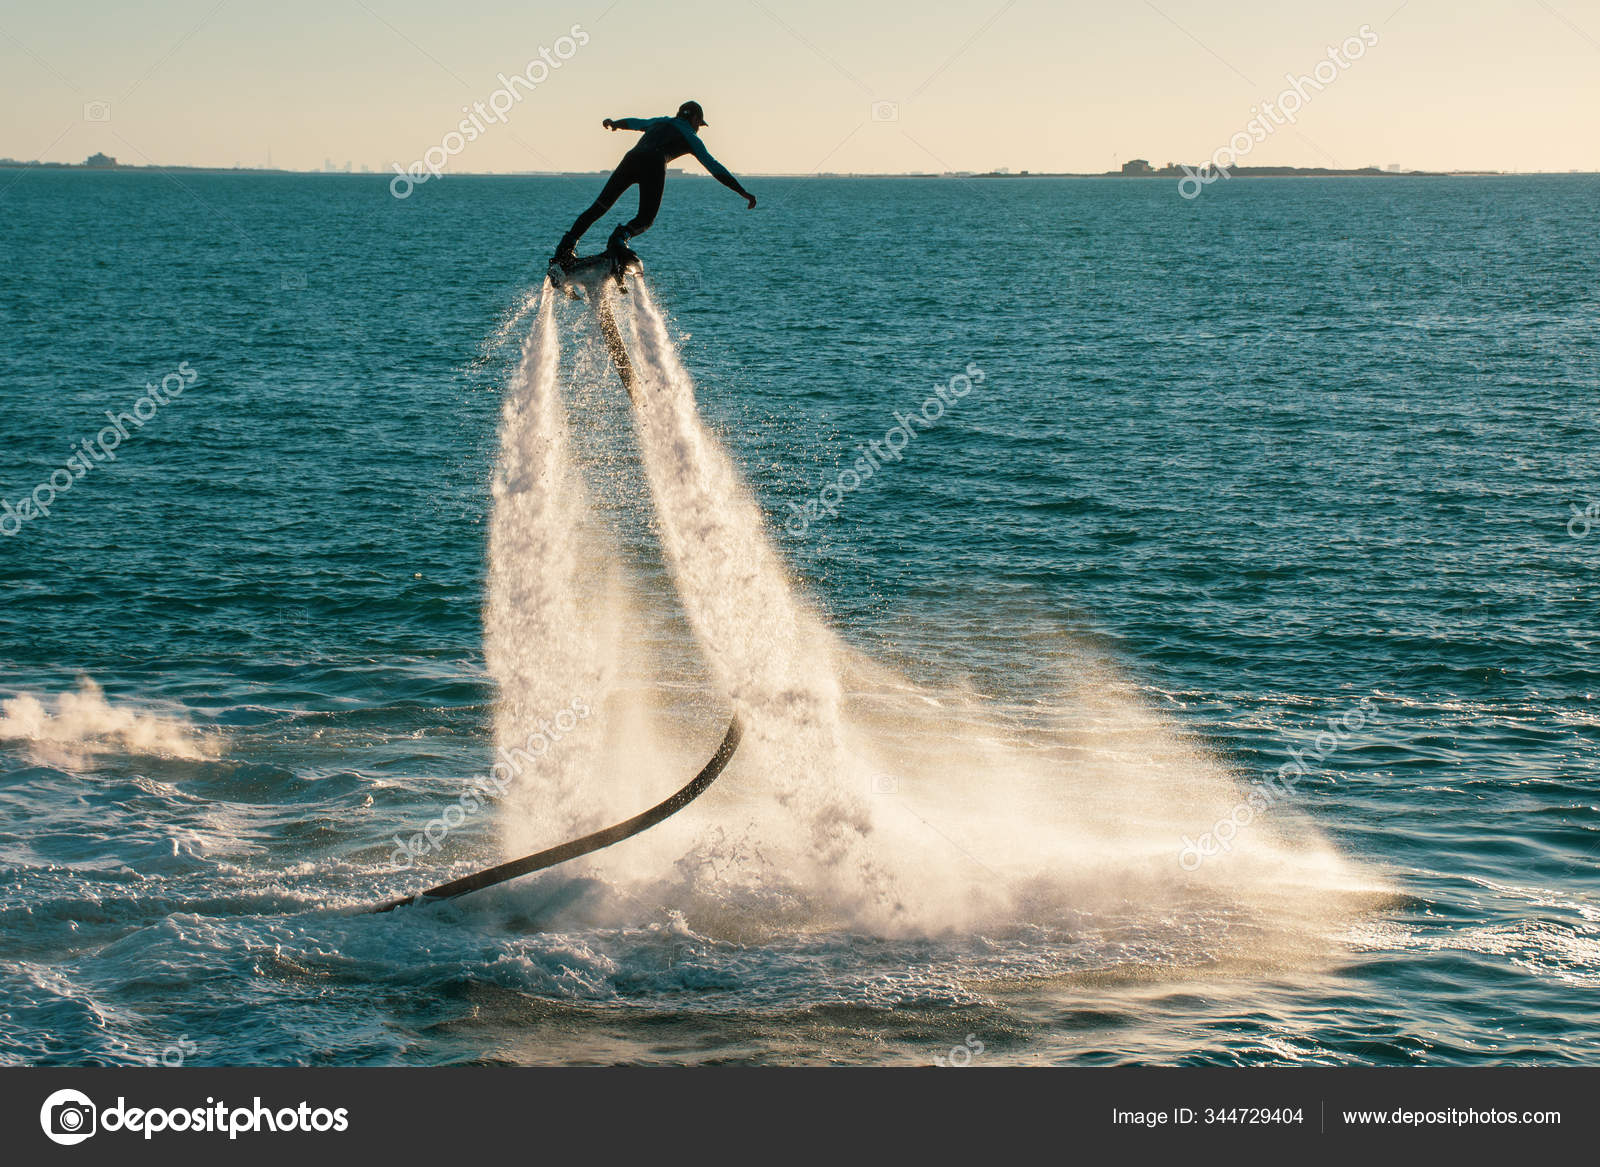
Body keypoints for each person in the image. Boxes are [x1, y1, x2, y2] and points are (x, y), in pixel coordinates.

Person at [552, 101, 756, 268]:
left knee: (599, 206)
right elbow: (713, 166)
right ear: (694, 119)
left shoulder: (660, 122)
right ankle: (618, 239)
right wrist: (742, 191)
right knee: (646, 218)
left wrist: (615, 124)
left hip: (631, 158)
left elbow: (635, 122)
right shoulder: (690, 135)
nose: (698, 128)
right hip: (654, 162)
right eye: (699, 124)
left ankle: (564, 250)